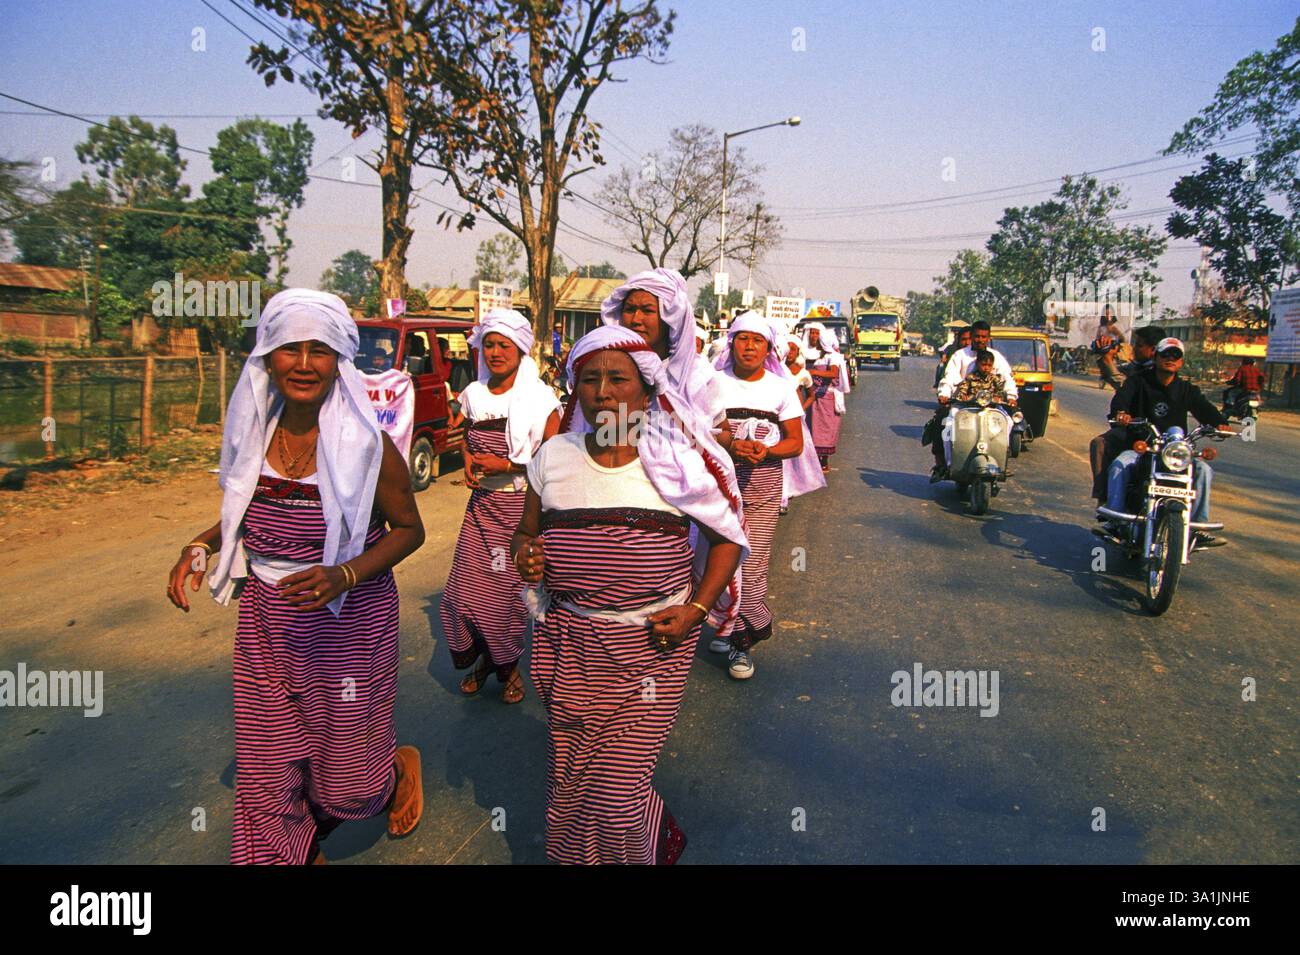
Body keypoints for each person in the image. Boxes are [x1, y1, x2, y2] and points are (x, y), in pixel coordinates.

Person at [166, 289, 426, 865]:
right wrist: (201, 544)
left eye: (320, 350)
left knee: (349, 782)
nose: (304, 363)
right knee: (267, 767)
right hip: (267, 626)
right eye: (290, 349)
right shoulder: (253, 433)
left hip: (350, 624)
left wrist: (345, 574)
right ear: (267, 357)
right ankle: (283, 852)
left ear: (340, 360)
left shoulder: (371, 447)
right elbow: (244, 507)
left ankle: (393, 769)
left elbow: (410, 529)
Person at [514, 325, 747, 864]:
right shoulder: (553, 456)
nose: (602, 391)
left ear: (646, 389)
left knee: (616, 790)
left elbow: (726, 540)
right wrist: (528, 552)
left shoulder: (678, 459)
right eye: (589, 379)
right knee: (572, 778)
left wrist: (695, 609)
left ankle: (648, 845)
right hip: (568, 644)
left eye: (617, 379)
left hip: (650, 649)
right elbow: (526, 531)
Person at [441, 308, 561, 704]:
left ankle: (506, 669)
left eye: (503, 345)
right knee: (462, 593)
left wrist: (509, 465)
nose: (494, 352)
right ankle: (491, 661)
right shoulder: (473, 394)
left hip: (519, 510)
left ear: (520, 350)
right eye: (488, 344)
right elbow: (463, 438)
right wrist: (470, 461)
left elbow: (554, 456)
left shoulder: (541, 399)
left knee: (505, 598)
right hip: (480, 509)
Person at [713, 312, 823, 678]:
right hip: (716, 484)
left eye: (756, 341)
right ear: (732, 344)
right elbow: (696, 430)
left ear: (767, 348)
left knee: (752, 563)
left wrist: (766, 451)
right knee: (711, 560)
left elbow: (794, 441)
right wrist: (729, 445)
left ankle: (743, 642)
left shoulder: (779, 387)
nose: (749, 346)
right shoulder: (712, 384)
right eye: (742, 339)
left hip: (762, 483)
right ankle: (727, 622)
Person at [1104, 338, 1233, 547]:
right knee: (1120, 464)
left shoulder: (1186, 389)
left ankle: (1198, 527)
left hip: (1175, 452)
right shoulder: (1138, 381)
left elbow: (1204, 408)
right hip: (1145, 447)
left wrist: (1220, 424)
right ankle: (1116, 520)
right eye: (1165, 354)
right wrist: (1121, 414)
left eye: (1176, 355)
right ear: (1156, 357)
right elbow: (1122, 400)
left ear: (1181, 362)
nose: (1170, 359)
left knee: (1204, 471)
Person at [934, 321, 1019, 480]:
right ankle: (951, 465)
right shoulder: (960, 356)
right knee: (948, 425)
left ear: (989, 338)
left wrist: (1011, 396)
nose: (980, 340)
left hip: (991, 405)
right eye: (977, 336)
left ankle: (1001, 463)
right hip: (963, 405)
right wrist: (944, 393)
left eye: (984, 337)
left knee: (1008, 422)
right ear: (972, 336)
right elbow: (950, 377)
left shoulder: (996, 357)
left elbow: (1007, 378)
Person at [1089, 325, 1162, 501]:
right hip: (1133, 428)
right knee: (1100, 444)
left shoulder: (1158, 372)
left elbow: (1119, 381)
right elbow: (1119, 379)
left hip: (1158, 432)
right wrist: (1106, 357)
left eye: (1139, 345)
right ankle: (1105, 498)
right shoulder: (1136, 369)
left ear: (1153, 350)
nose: (1134, 348)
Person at [800, 321, 851, 472]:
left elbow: (833, 373)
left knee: (825, 429)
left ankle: (824, 460)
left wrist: (815, 372)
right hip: (815, 397)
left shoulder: (832, 356)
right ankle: (813, 460)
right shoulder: (819, 357)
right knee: (812, 427)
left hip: (827, 398)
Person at [1091, 312, 1125, 391]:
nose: (1108, 317)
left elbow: (1121, 337)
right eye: (1106, 315)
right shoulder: (1101, 328)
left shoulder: (1113, 328)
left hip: (1113, 347)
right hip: (1105, 347)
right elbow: (1098, 337)